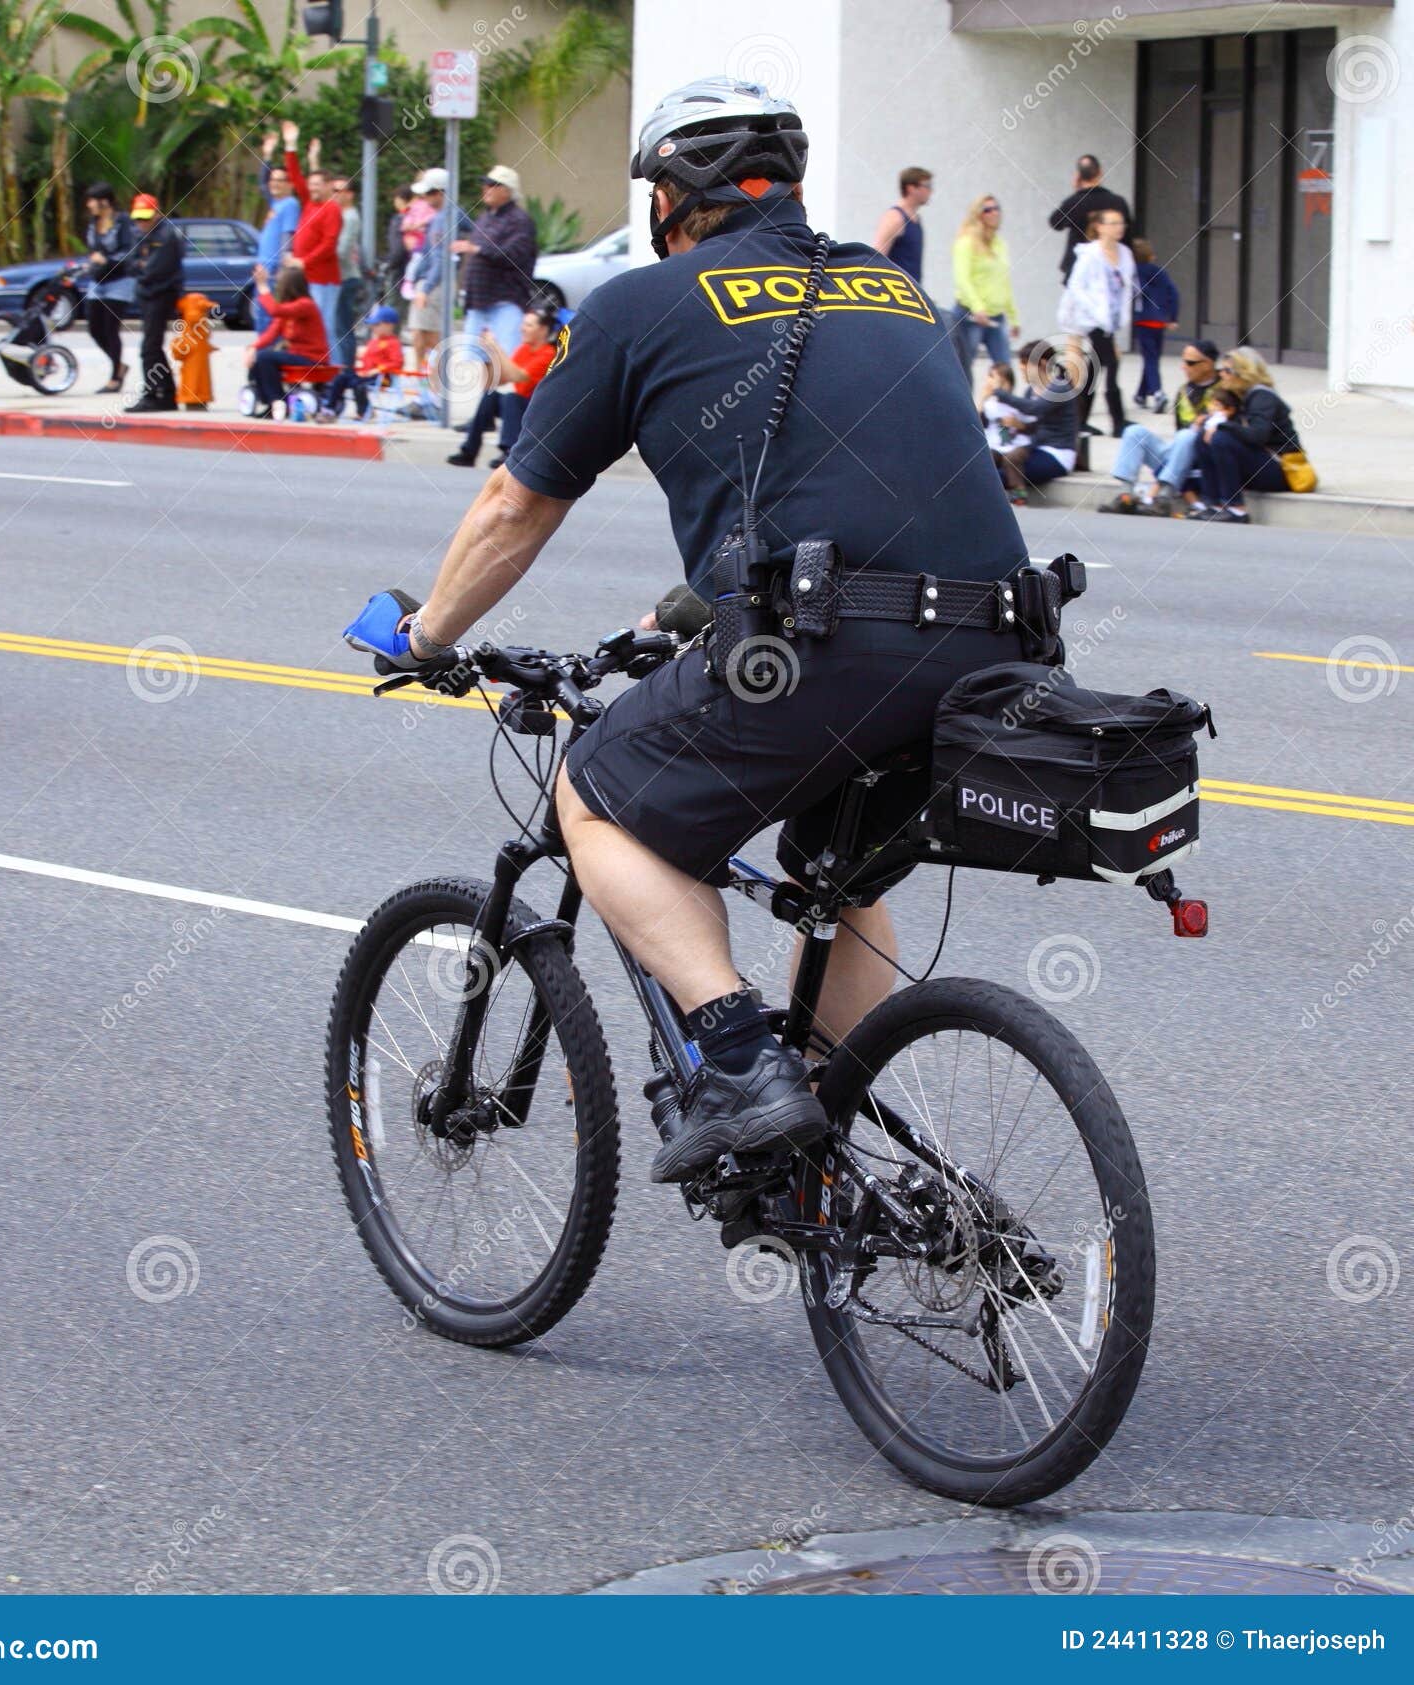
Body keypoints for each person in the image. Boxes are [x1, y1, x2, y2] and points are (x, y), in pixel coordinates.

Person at [344, 76, 1028, 1183]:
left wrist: (426, 637)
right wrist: (677, 616)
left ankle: (740, 1062)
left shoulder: (642, 303)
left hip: (832, 649)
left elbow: (514, 507)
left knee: (597, 791)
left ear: (671, 195)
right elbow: (849, 494)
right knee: (838, 878)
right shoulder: (889, 289)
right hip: (997, 645)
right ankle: (826, 1164)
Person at [1098, 338, 1219, 516]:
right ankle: (1125, 495)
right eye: (1183, 361)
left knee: (1187, 436)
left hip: (1203, 458)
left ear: (1209, 364)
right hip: (1180, 455)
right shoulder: (1183, 390)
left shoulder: (1224, 389)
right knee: (1134, 432)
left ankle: (1163, 497)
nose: (1183, 367)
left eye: (1190, 363)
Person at [1189, 347, 1305, 523]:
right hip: (1257, 464)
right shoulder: (1237, 396)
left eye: (1227, 371)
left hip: (1281, 469)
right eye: (1221, 370)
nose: (1222, 375)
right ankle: (1213, 505)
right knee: (1204, 436)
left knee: (1220, 438)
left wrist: (1223, 425)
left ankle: (1237, 509)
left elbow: (1257, 436)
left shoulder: (1263, 397)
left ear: (1244, 373)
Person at [445, 305, 557, 467]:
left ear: (543, 330)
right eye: (524, 324)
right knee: (492, 395)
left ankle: (509, 451)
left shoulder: (548, 353)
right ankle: (469, 451)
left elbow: (520, 376)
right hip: (520, 403)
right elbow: (505, 378)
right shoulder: (524, 349)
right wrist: (489, 354)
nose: (522, 329)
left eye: (529, 325)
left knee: (510, 398)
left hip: (537, 408)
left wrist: (496, 347)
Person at [1057, 205, 1135, 438]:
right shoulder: (1090, 254)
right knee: (1112, 364)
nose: (1118, 228)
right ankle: (1118, 420)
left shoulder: (1125, 253)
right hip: (1089, 319)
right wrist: (1095, 312)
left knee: (1094, 369)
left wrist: (1121, 316)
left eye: (1121, 223)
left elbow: (1126, 288)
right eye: (1112, 223)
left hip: (1110, 320)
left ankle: (1080, 420)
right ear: (1099, 227)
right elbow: (1076, 286)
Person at [451, 164, 537, 368]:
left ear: (507, 190)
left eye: (492, 184)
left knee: (506, 363)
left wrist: (478, 250)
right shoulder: (485, 217)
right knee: (473, 363)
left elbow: (514, 255)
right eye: (485, 184)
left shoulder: (520, 221)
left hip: (505, 301)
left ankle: (506, 400)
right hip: (479, 302)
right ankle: (486, 400)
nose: (485, 188)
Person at [988, 339, 1079, 505]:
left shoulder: (1060, 387)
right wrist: (1017, 425)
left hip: (1057, 454)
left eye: (1025, 364)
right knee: (988, 462)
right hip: (1035, 448)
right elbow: (1031, 424)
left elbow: (1035, 409)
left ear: (1043, 364)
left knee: (996, 476)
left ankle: (1018, 496)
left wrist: (1000, 393)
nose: (1021, 369)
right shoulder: (1031, 390)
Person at [280, 121, 342, 361]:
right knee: (309, 326)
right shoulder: (309, 202)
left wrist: (303, 262)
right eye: (311, 185)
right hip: (307, 276)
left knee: (324, 326)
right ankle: (318, 371)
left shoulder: (331, 209)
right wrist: (291, 146)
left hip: (323, 279)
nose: (312, 188)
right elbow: (295, 177)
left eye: (318, 185)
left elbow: (329, 244)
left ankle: (332, 374)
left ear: (328, 186)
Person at [244, 262, 329, 418]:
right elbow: (271, 333)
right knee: (260, 358)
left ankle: (278, 400)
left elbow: (274, 310)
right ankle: (271, 403)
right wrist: (253, 347)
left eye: (280, 283)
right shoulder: (288, 308)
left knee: (266, 357)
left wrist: (262, 285)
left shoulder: (305, 305)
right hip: (296, 355)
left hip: (311, 358)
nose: (277, 287)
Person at [407, 168, 471, 371]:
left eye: (429, 193)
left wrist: (425, 288)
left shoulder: (450, 216)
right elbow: (428, 252)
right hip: (428, 280)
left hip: (437, 283)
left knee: (431, 334)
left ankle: (432, 379)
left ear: (441, 192)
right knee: (419, 333)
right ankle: (423, 378)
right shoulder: (438, 217)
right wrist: (415, 278)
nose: (424, 198)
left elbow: (442, 259)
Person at [950, 193, 1018, 380]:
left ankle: (1004, 407)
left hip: (995, 317)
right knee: (963, 370)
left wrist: (1013, 317)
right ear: (978, 214)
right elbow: (962, 279)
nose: (994, 213)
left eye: (996, 208)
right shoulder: (966, 243)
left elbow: (1004, 281)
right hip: (970, 316)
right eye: (987, 209)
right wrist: (977, 306)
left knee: (1005, 370)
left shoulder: (1000, 244)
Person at [124, 194, 182, 412]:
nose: (142, 223)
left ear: (157, 214)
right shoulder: (139, 235)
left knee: (149, 347)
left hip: (161, 295)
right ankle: (164, 392)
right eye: (138, 218)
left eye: (146, 218)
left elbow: (152, 270)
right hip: (147, 296)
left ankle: (156, 393)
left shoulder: (166, 236)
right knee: (151, 346)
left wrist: (141, 265)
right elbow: (129, 264)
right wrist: (141, 265)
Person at [82, 182, 134, 393]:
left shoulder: (122, 223)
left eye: (92, 200)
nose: (89, 205)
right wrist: (92, 262)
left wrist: (107, 260)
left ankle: (115, 377)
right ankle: (120, 365)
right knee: (94, 329)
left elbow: (128, 251)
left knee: (111, 329)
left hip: (119, 281)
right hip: (98, 280)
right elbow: (93, 250)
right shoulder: (93, 225)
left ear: (105, 201)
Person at [1049, 153, 1131, 281]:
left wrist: (1077, 193)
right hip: (1112, 265)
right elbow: (1130, 233)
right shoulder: (1117, 202)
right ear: (1100, 172)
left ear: (1078, 176)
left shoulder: (1074, 202)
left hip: (1078, 266)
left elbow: (1055, 223)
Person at [254, 132, 301, 334]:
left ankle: (266, 361)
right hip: (264, 269)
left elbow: (287, 237)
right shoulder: (277, 202)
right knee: (262, 318)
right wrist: (267, 156)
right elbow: (263, 185)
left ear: (290, 184)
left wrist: (282, 267)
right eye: (274, 180)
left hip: (273, 272)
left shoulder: (290, 204)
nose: (274, 183)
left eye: (280, 180)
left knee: (270, 320)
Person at [1131, 238, 1178, 413]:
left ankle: (1158, 393)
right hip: (1159, 321)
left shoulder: (1133, 272)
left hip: (1143, 320)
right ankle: (1141, 394)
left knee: (1150, 358)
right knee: (1152, 358)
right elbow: (1173, 293)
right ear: (1151, 256)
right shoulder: (1160, 272)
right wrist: (1172, 317)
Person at [872, 165, 931, 285]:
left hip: (912, 291)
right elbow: (876, 258)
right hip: (895, 294)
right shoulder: (895, 217)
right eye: (927, 186)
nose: (930, 191)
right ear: (911, 188)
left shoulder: (916, 218)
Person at [331, 174, 363, 368]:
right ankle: (341, 367)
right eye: (332, 190)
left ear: (349, 194)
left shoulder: (350, 217)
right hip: (338, 277)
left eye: (338, 191)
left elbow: (342, 250)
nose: (334, 195)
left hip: (345, 277)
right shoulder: (339, 214)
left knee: (343, 328)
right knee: (338, 327)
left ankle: (346, 370)